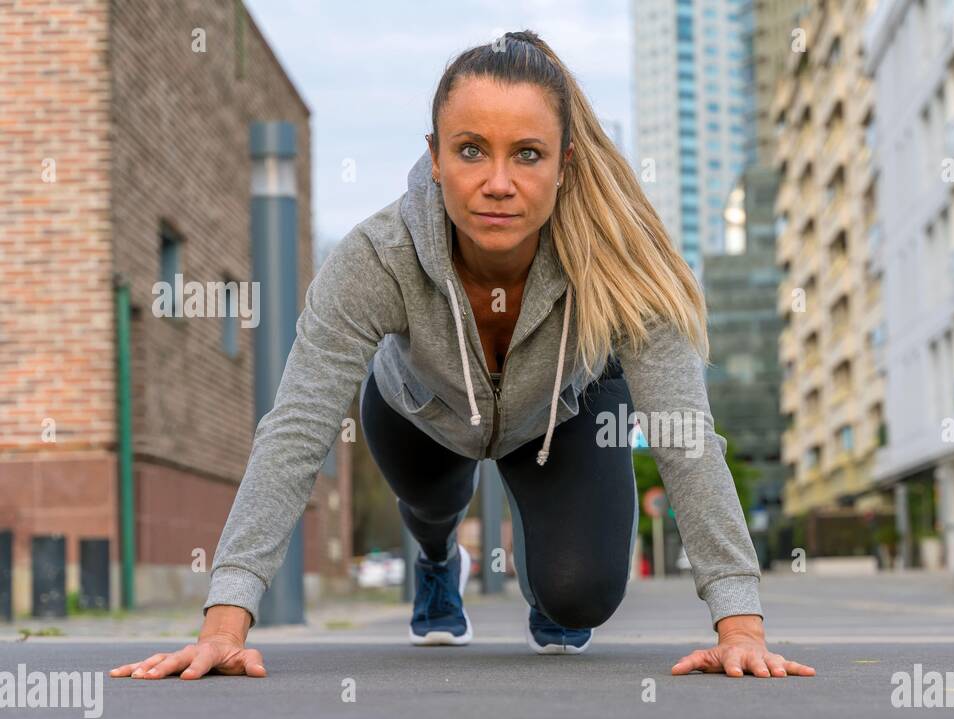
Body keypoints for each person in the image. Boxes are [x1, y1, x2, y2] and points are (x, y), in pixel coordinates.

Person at [111, 29, 814, 682]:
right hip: (420, 414)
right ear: (437, 154)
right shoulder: (376, 259)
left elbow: (686, 438)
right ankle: (438, 559)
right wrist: (224, 621)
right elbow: (295, 429)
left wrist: (740, 625)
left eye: (528, 154)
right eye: (472, 150)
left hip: (561, 417)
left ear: (564, 164)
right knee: (431, 493)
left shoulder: (619, 265)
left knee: (578, 599)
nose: (498, 183)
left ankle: (549, 585)